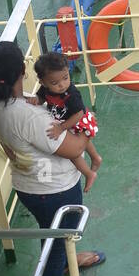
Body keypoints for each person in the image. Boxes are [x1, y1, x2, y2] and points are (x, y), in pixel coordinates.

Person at [0, 40, 102, 276]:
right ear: (22, 69)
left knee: (55, 238)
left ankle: (66, 259)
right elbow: (74, 147)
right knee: (54, 248)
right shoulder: (30, 116)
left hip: (29, 187)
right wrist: (88, 128)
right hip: (55, 192)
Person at [32, 52, 102, 192]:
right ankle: (96, 158)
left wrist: (61, 128)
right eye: (54, 83)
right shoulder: (45, 90)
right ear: (42, 82)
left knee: (72, 152)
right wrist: (36, 100)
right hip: (68, 118)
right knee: (84, 140)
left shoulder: (71, 93)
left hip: (77, 119)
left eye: (65, 78)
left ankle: (89, 173)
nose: (62, 85)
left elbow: (78, 114)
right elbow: (41, 98)